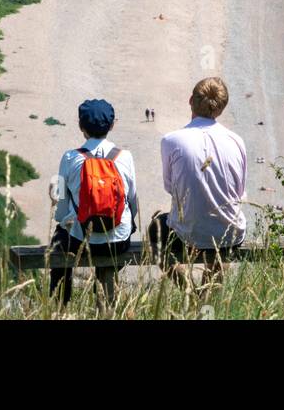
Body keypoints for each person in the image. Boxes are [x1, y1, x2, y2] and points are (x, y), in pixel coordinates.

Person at [49, 98, 137, 303]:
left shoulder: (70, 157)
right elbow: (132, 202)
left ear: (81, 126)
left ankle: (59, 305)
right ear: (112, 125)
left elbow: (62, 211)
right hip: (117, 242)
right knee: (111, 250)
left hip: (80, 241)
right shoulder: (125, 156)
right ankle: (105, 302)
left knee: (58, 245)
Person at [152, 77, 247, 268]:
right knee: (222, 237)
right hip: (231, 233)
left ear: (190, 101)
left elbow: (171, 187)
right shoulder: (237, 141)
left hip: (188, 234)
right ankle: (208, 292)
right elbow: (238, 192)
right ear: (221, 108)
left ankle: (189, 290)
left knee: (155, 229)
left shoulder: (171, 140)